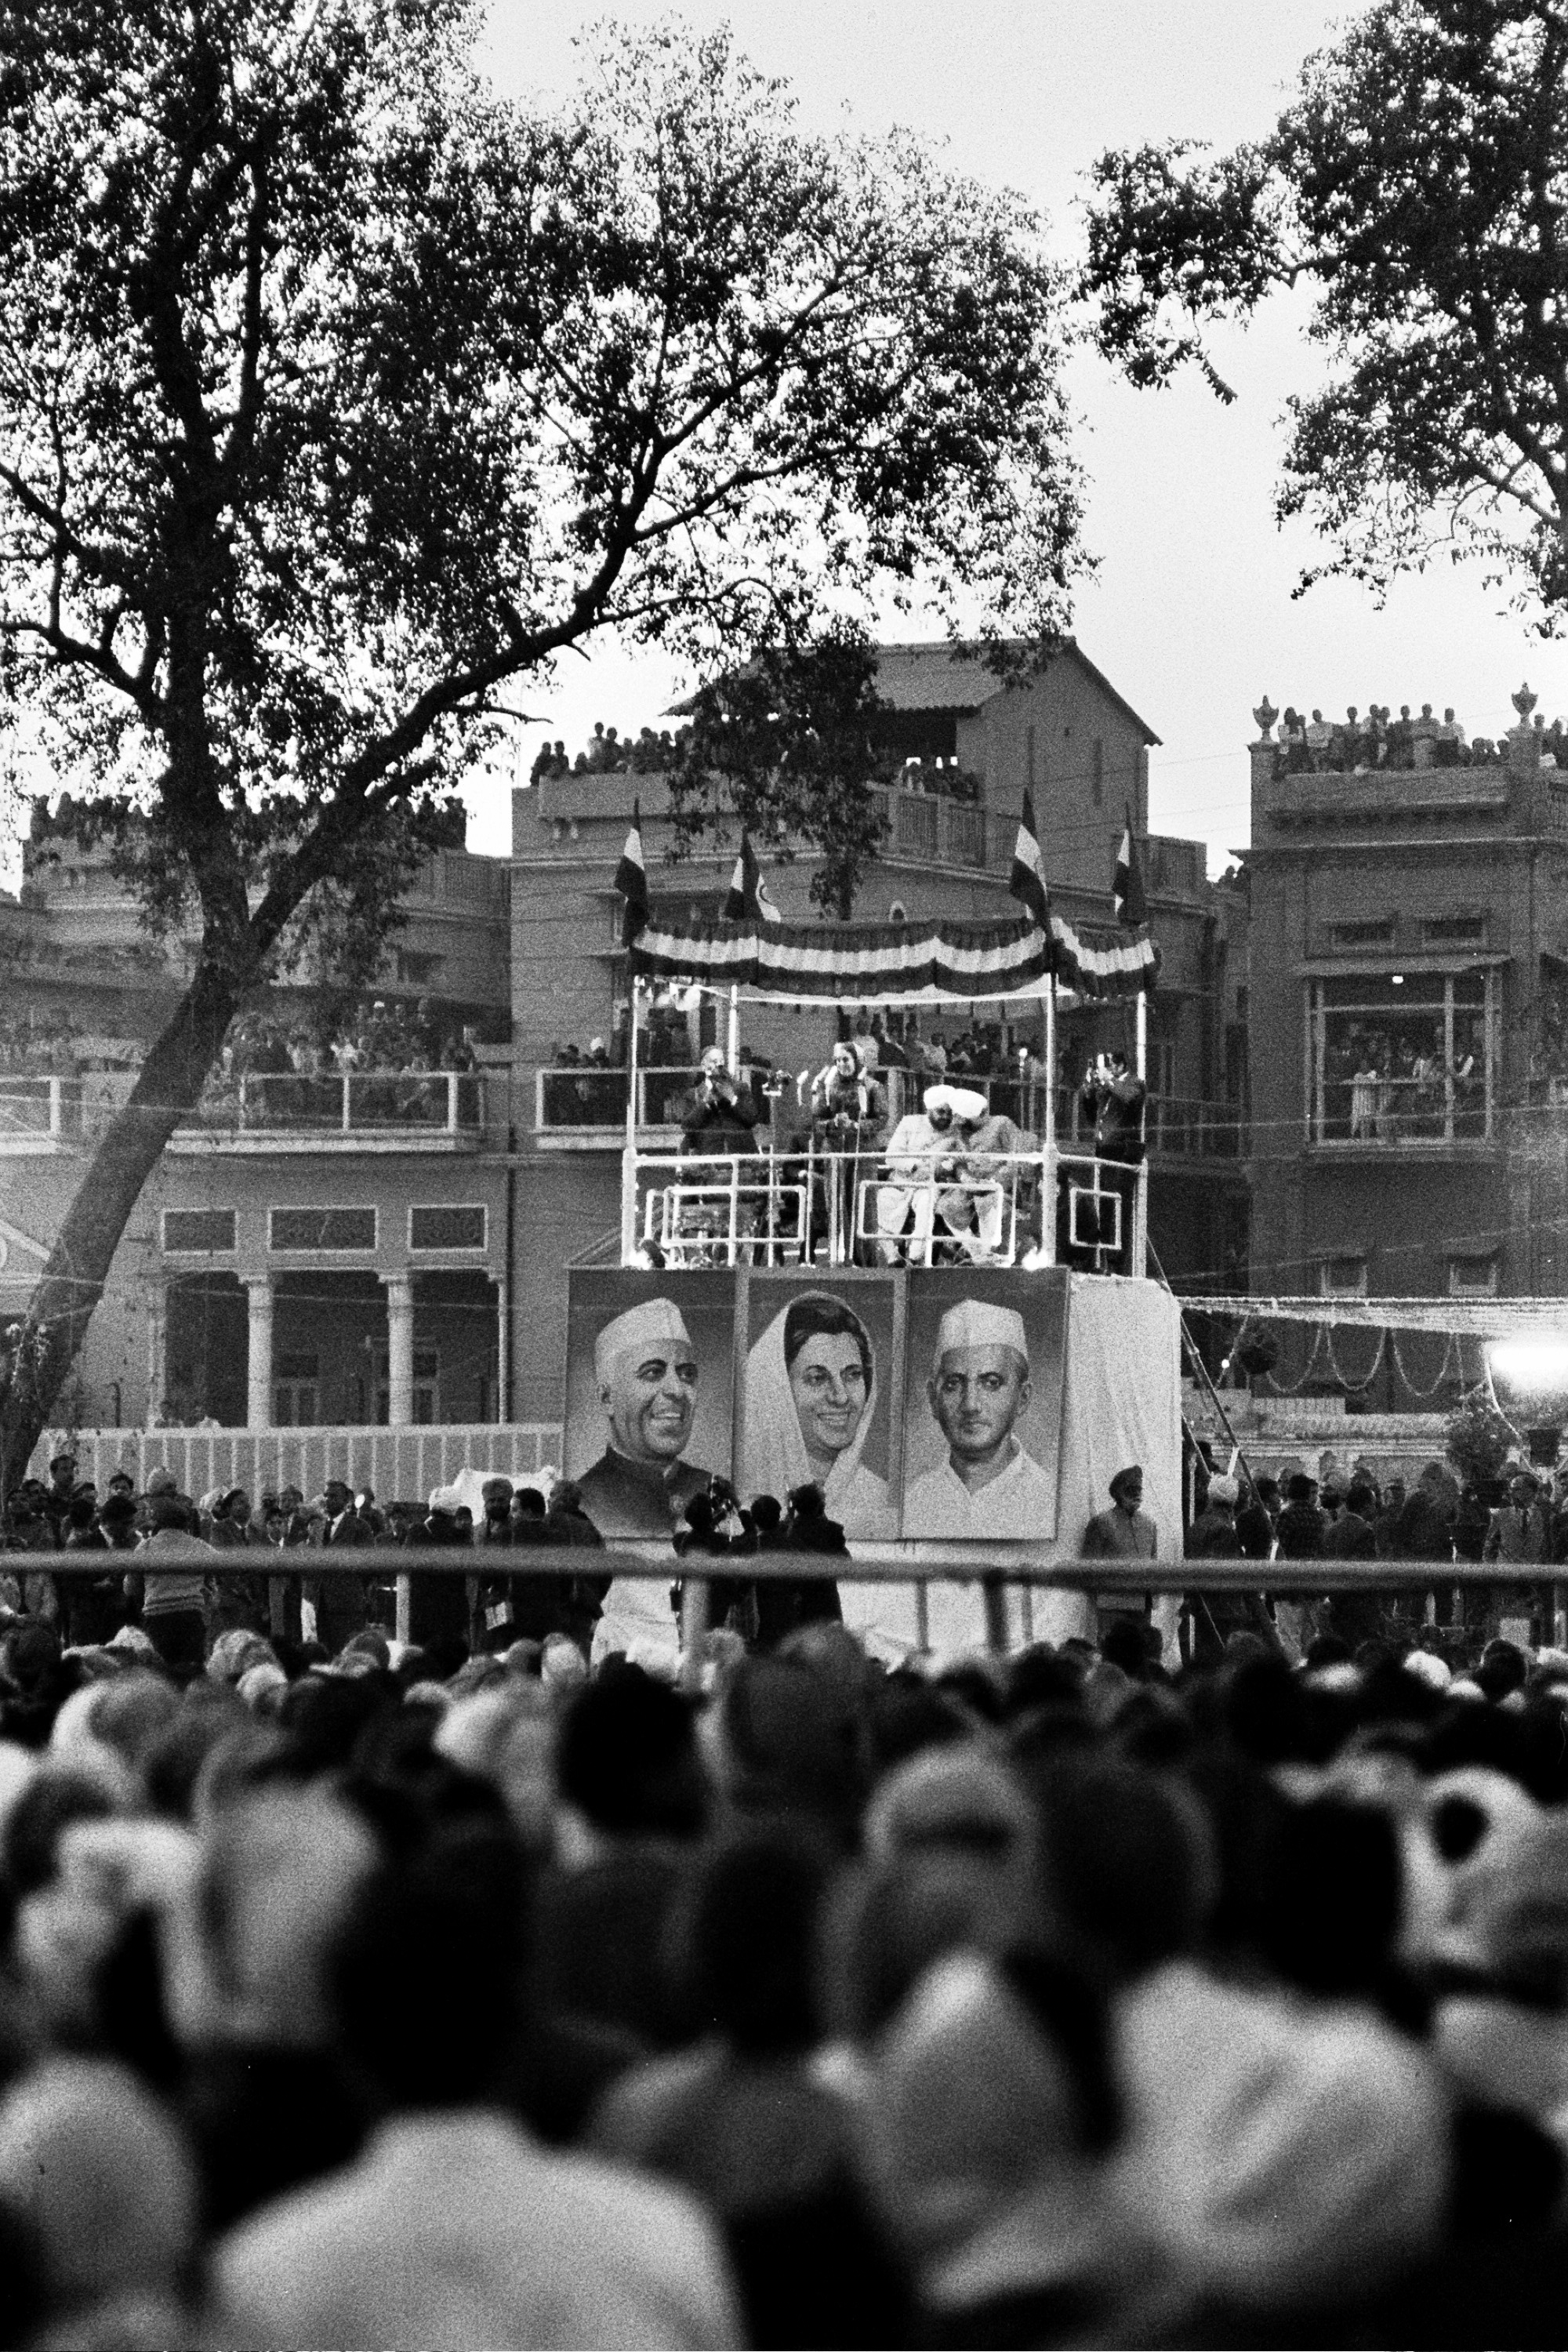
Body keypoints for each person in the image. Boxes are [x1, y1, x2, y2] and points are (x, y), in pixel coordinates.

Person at [741, 1291, 894, 1540]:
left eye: (853, 1374)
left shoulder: (879, 1498)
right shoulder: (743, 1498)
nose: (841, 1396)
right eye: (817, 1378)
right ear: (777, 1389)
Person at [903, 1300, 1054, 1541]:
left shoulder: (1047, 1497)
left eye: (991, 1383)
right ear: (933, 1399)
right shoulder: (914, 1500)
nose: (970, 1405)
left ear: (1022, 1398)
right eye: (953, 1384)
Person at [575, 1298, 717, 1541]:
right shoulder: (585, 1499)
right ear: (608, 1397)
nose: (677, 1390)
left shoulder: (710, 1487)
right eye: (652, 1372)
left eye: (687, 1374)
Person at [809, 1040, 886, 1262]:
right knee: (836, 1206)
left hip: (862, 1154)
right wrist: (833, 1123)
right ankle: (839, 1260)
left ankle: (866, 1263)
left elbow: (882, 1119)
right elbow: (817, 1120)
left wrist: (856, 1126)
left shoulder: (871, 1086)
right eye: (838, 1060)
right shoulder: (828, 1087)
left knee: (864, 1208)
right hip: (835, 1154)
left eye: (846, 1059)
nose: (842, 1064)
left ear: (857, 1060)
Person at [1076, 1048, 1145, 1275]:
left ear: (1120, 1065)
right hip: (1104, 1152)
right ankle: (1105, 1259)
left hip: (1123, 1152)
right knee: (1105, 1207)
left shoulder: (1135, 1083)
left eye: (1109, 1066)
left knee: (1119, 1207)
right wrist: (1089, 1088)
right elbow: (1090, 1113)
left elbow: (1130, 1100)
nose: (1107, 1070)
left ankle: (1118, 1263)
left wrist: (1109, 1082)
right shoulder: (1108, 1088)